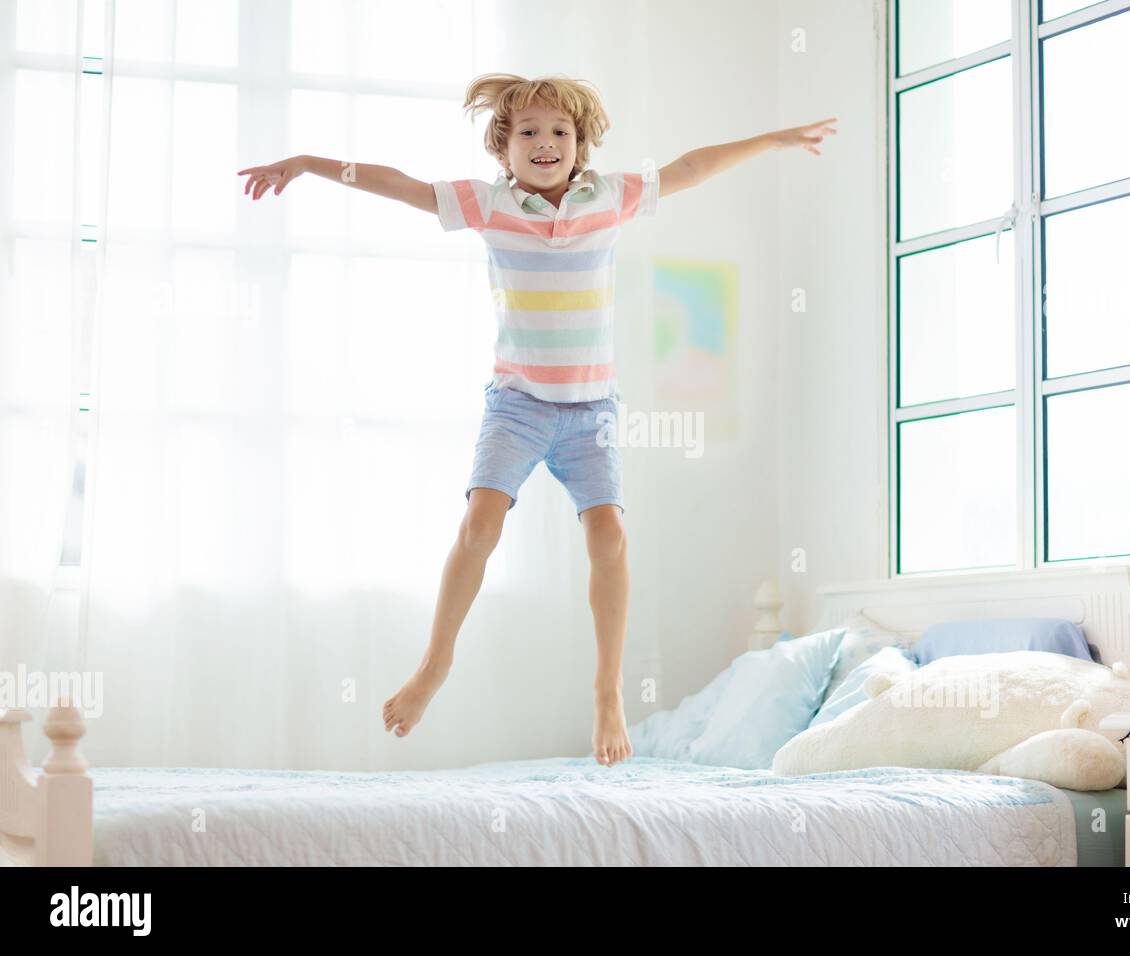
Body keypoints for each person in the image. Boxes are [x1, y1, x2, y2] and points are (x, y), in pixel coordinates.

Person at [237, 72, 837, 766]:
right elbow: (398, 182)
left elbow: (691, 166)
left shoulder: (608, 198)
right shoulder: (487, 205)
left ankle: (607, 695)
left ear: (580, 145)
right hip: (518, 404)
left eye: (559, 131)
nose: (545, 142)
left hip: (591, 411)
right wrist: (310, 164)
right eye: (528, 132)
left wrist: (771, 138)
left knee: (609, 536)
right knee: (479, 523)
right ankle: (435, 665)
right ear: (504, 146)